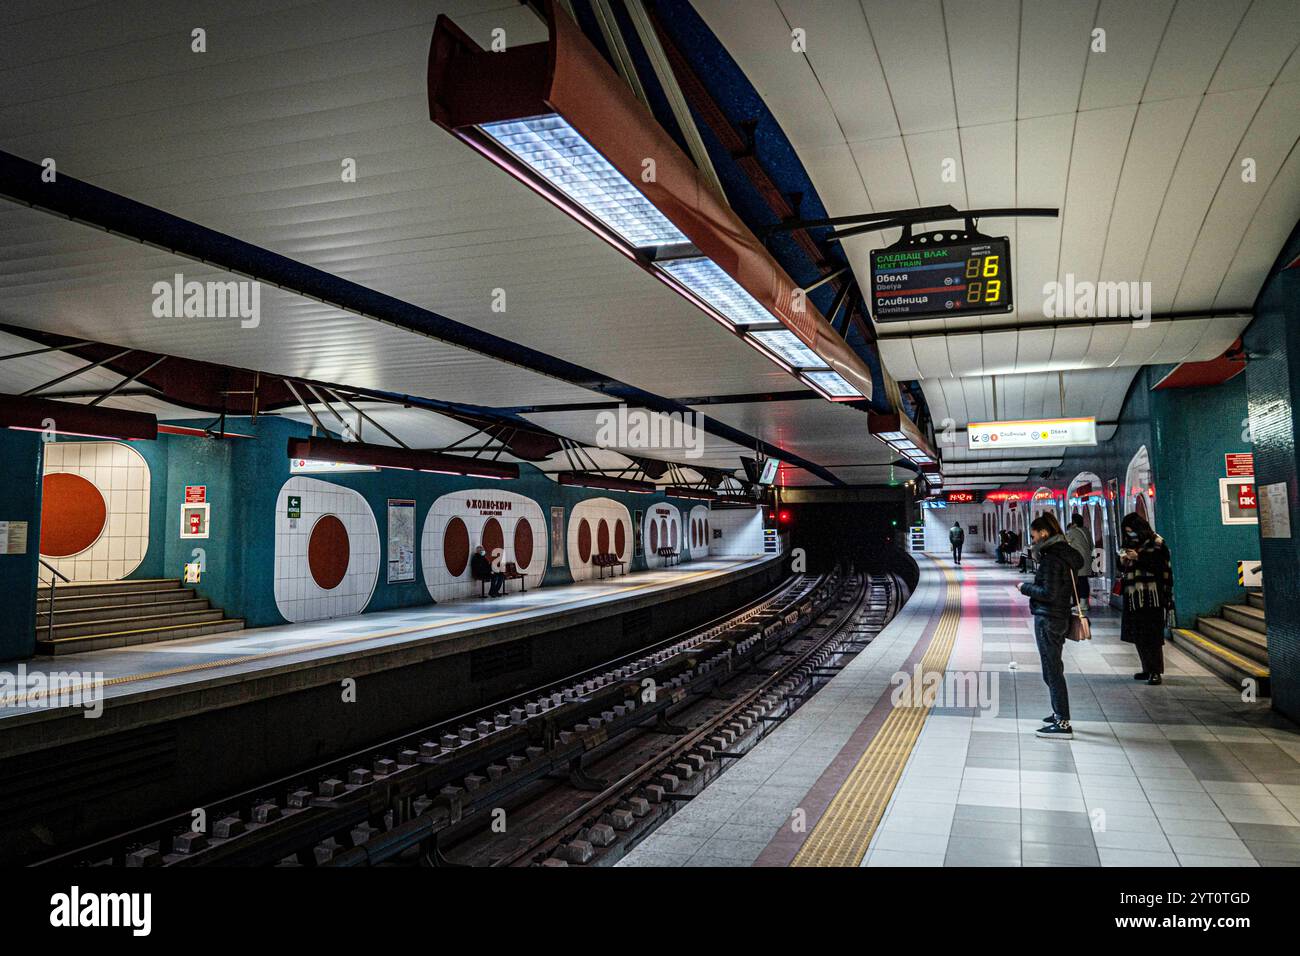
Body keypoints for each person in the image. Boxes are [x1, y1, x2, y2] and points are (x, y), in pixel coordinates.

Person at [1018, 513, 1085, 740]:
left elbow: (1048, 592)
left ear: (1044, 533)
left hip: (1048, 618)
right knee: (1053, 668)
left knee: (1052, 670)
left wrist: (1024, 587)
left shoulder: (1050, 559)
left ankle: (1062, 721)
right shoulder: (1065, 554)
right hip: (1059, 615)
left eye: (1034, 534)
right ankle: (1058, 712)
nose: (1033, 538)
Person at [1118, 513, 1173, 685]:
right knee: (1139, 634)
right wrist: (1123, 560)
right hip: (1133, 595)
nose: (1130, 535)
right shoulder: (1128, 544)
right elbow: (1123, 567)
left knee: (1152, 635)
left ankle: (1156, 671)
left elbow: (1161, 566)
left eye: (1132, 531)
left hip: (1152, 595)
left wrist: (1139, 558)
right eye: (1127, 533)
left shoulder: (1157, 542)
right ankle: (1146, 668)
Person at [1064, 513, 1094, 606]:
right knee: (1084, 580)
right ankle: (1085, 602)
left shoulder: (1072, 532)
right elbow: (1091, 545)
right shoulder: (1086, 531)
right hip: (1087, 559)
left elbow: (1064, 541)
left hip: (1078, 560)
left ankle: (1080, 603)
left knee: (1078, 581)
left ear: (1074, 523)